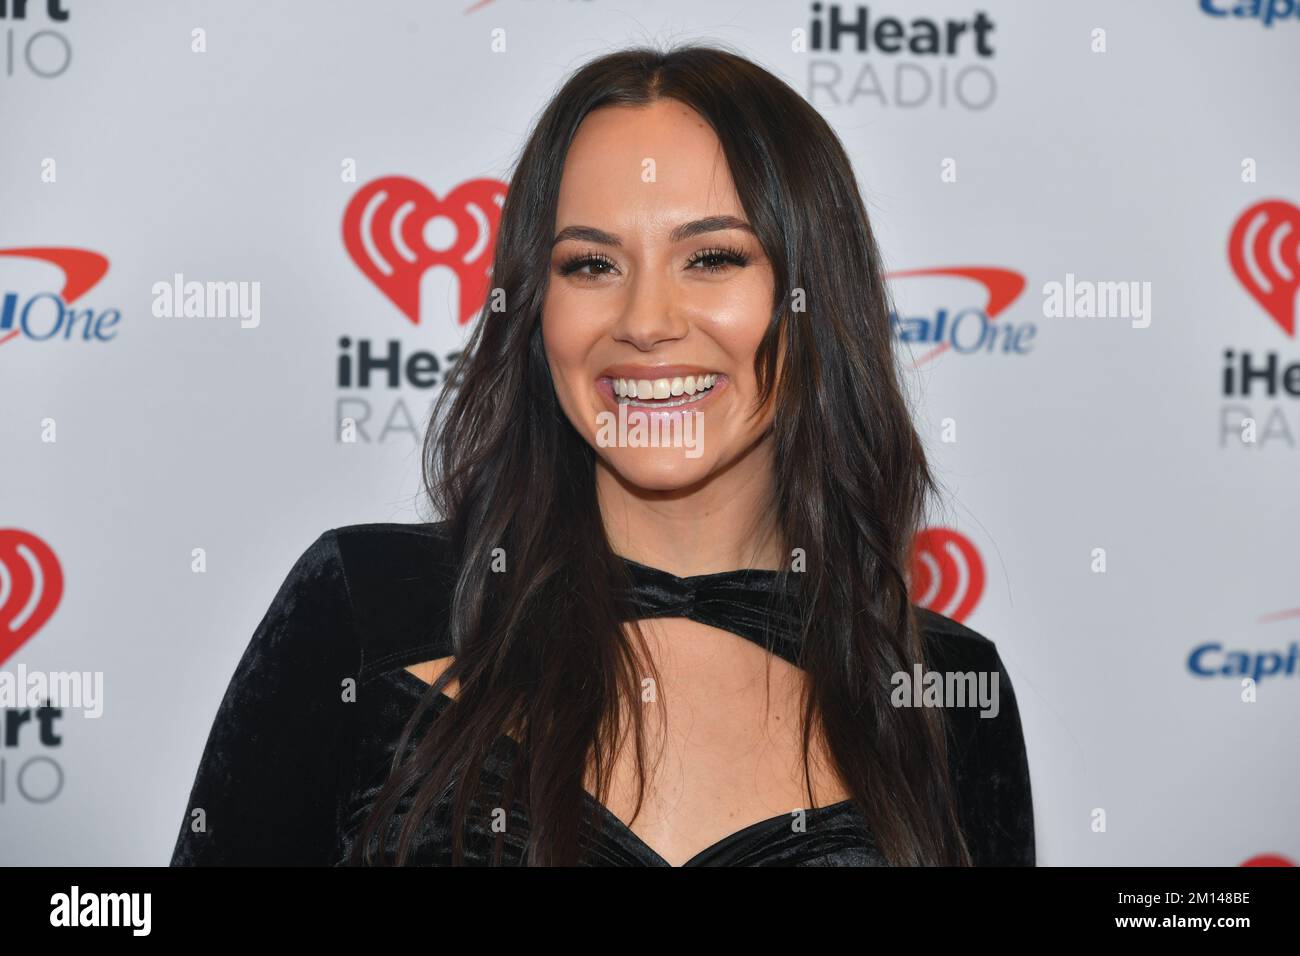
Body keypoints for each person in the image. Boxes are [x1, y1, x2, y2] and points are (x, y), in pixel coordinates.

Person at [169, 43, 1034, 867]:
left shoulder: (945, 689)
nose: (646, 321)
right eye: (591, 265)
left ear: (816, 297)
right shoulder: (366, 607)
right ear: (535, 308)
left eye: (712, 257)